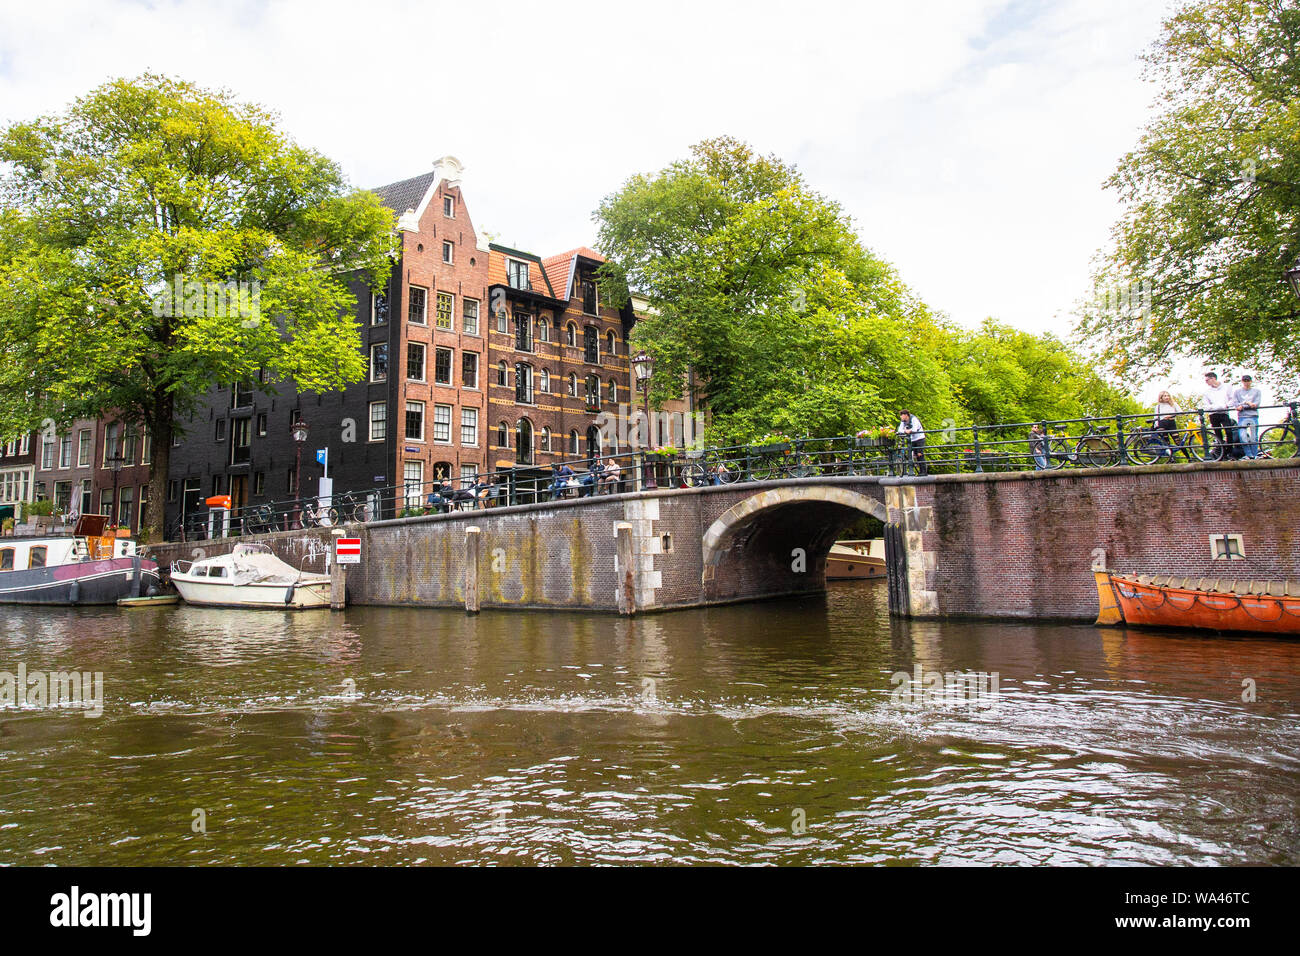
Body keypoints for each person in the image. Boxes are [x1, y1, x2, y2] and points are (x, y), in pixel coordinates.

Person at [1202, 371, 1240, 459]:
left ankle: (1230, 452)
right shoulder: (1207, 392)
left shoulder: (1226, 387)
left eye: (1207, 380)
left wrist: (1226, 405)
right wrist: (1215, 407)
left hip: (1224, 412)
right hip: (1213, 414)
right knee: (1218, 434)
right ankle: (1222, 453)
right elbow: (1206, 405)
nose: (1206, 382)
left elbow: (1232, 399)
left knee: (1229, 432)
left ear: (1213, 378)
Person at [1231, 374, 1261, 459]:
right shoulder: (1237, 392)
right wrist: (1248, 404)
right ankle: (1249, 454)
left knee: (1254, 436)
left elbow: (1256, 404)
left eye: (1248, 381)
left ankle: (1254, 455)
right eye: (1245, 381)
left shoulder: (1257, 391)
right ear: (1242, 382)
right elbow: (1236, 404)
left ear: (1251, 381)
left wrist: (1243, 405)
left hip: (1253, 415)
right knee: (1242, 436)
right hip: (1242, 416)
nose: (1246, 383)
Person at [897, 410, 927, 475]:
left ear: (905, 415)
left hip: (919, 438)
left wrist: (907, 430)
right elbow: (900, 430)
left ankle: (923, 472)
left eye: (901, 415)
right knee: (913, 455)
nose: (901, 417)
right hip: (912, 439)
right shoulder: (903, 422)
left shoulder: (914, 419)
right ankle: (918, 471)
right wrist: (906, 431)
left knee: (919, 454)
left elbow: (915, 429)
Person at [1154, 390, 1180, 459]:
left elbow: (1180, 412)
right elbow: (1156, 417)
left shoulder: (1173, 404)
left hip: (1171, 423)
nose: (1167, 397)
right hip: (1163, 424)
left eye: (1168, 395)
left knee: (1177, 441)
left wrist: (1171, 415)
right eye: (1165, 396)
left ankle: (1188, 457)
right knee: (1166, 443)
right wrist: (1156, 426)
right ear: (1161, 397)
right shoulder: (1158, 406)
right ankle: (1171, 458)